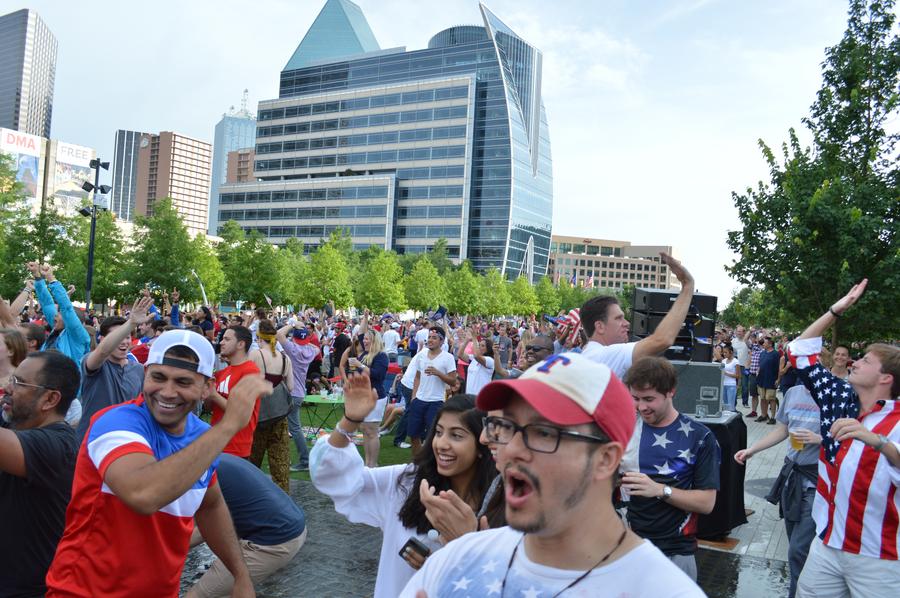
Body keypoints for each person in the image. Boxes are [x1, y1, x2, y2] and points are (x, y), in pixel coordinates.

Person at [400, 352, 703, 597]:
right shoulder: (457, 559)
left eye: (544, 432)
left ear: (605, 459)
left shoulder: (662, 590)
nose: (513, 449)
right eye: (506, 428)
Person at [45, 330, 269, 597]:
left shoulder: (200, 437)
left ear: (206, 389)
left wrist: (240, 574)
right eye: (158, 377)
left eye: (183, 382)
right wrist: (228, 426)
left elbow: (211, 503)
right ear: (145, 374)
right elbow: (143, 494)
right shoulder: (116, 421)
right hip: (85, 590)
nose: (168, 392)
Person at [311, 380, 496, 598]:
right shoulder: (406, 482)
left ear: (482, 445)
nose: (441, 444)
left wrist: (437, 566)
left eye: (456, 435)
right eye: (438, 432)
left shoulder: (500, 504)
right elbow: (336, 477)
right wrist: (350, 421)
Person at [783, 280, 900, 598]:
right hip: (828, 541)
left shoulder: (898, 418)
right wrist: (837, 309)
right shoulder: (837, 394)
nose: (854, 361)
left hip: (880, 556)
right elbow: (797, 351)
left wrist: (876, 441)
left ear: (885, 377)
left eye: (865, 360)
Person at [621, 356, 720, 580]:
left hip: (676, 554)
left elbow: (706, 504)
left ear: (670, 392)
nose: (641, 407)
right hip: (628, 549)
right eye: (635, 398)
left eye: (649, 399)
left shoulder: (700, 437)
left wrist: (660, 490)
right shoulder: (624, 429)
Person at [0, 351, 81, 596]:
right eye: (12, 380)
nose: (8, 389)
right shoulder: (13, 424)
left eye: (20, 383)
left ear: (50, 399)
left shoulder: (59, 446)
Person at [734, 382, 822, 598]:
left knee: (798, 549)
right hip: (792, 477)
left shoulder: (837, 393)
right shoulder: (793, 392)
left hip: (818, 481)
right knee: (795, 546)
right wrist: (752, 449)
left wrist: (820, 439)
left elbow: (851, 436)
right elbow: (782, 429)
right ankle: (798, 590)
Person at [185, 453, 307, 598]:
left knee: (198, 595)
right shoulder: (215, 457)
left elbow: (191, 525)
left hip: (274, 541)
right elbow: (210, 526)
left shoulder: (195, 474)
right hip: (292, 527)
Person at [579, 253, 695, 377]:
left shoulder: (590, 356)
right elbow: (662, 339)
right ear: (600, 326)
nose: (627, 323)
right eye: (618, 318)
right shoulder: (603, 355)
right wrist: (688, 284)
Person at [75, 298, 150, 441]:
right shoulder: (93, 363)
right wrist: (131, 323)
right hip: (92, 440)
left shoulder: (138, 369)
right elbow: (103, 352)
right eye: (118, 337)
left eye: (127, 337)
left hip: (124, 439)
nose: (123, 341)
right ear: (103, 339)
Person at [249, 319, 293, 492]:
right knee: (280, 464)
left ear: (259, 337)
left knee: (252, 462)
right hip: (279, 415)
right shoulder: (284, 358)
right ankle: (283, 501)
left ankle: (251, 499)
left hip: (258, 415)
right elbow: (291, 387)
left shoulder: (255, 355)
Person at [209, 325, 262, 458]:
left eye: (227, 339)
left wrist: (214, 395)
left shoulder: (251, 372)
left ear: (240, 344)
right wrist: (207, 393)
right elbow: (210, 407)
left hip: (236, 448)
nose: (221, 342)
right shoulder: (223, 372)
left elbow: (241, 412)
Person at [277, 320, 320, 472]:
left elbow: (279, 334)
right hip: (299, 393)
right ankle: (285, 458)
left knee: (294, 429)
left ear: (294, 338)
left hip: (291, 392)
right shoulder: (310, 350)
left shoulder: (293, 348)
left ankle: (304, 460)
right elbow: (316, 346)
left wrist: (293, 325)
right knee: (289, 427)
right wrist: (304, 335)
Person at [408, 327, 458, 453]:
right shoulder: (421, 355)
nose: (430, 340)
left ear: (442, 341)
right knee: (413, 435)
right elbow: (418, 377)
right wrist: (414, 397)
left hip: (436, 402)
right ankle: (417, 464)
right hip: (419, 400)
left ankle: (431, 465)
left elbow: (453, 381)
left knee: (433, 437)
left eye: (434, 338)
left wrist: (438, 373)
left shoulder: (448, 357)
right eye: (429, 337)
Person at [348, 326, 389, 467]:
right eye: (364, 338)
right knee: (365, 430)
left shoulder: (381, 356)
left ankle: (373, 464)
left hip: (376, 396)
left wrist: (359, 365)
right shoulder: (364, 354)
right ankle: (367, 463)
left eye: (367, 339)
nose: (364, 341)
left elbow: (378, 375)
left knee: (372, 431)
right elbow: (360, 331)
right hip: (363, 396)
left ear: (374, 341)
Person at [461, 327, 494, 395]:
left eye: (482, 346)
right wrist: (467, 340)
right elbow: (460, 354)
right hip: (469, 395)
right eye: (479, 345)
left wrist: (474, 337)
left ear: (488, 349)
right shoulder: (474, 359)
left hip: (481, 395)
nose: (479, 347)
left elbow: (476, 356)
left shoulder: (490, 360)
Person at [756, 337, 780, 424]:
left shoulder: (776, 354)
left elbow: (779, 368)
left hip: (771, 379)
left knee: (771, 398)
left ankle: (773, 417)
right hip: (761, 379)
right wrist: (758, 371)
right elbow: (760, 364)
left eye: (765, 343)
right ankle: (764, 415)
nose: (763, 344)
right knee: (762, 398)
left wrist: (778, 379)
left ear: (770, 344)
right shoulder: (762, 353)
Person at [733, 325, 751, 407]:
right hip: (735, 366)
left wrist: (748, 364)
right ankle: (733, 403)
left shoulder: (747, 341)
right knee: (734, 385)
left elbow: (751, 354)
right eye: (738, 331)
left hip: (744, 366)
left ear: (744, 332)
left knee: (745, 385)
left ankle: (745, 402)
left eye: (741, 331)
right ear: (736, 332)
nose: (739, 333)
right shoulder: (733, 341)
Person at [720, 344, 740, 411]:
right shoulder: (723, 361)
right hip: (723, 385)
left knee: (730, 405)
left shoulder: (736, 362)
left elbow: (738, 376)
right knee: (725, 405)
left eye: (726, 352)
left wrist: (726, 373)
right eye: (723, 352)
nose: (724, 354)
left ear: (731, 352)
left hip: (731, 385)